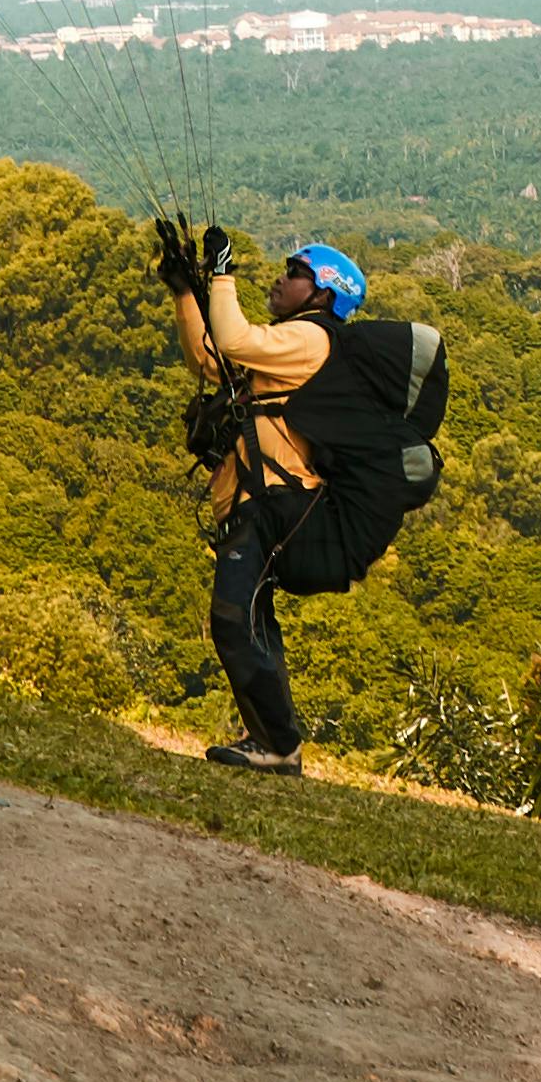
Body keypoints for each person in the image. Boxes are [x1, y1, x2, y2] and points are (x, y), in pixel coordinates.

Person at [150, 218, 369, 777]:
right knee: (252, 622)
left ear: (322, 293)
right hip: (259, 501)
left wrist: (220, 275)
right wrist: (185, 292)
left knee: (231, 617)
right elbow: (213, 360)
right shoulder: (285, 344)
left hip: (275, 503)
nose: (280, 280)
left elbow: (235, 339)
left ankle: (277, 743)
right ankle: (273, 742)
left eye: (293, 274)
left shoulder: (312, 337)